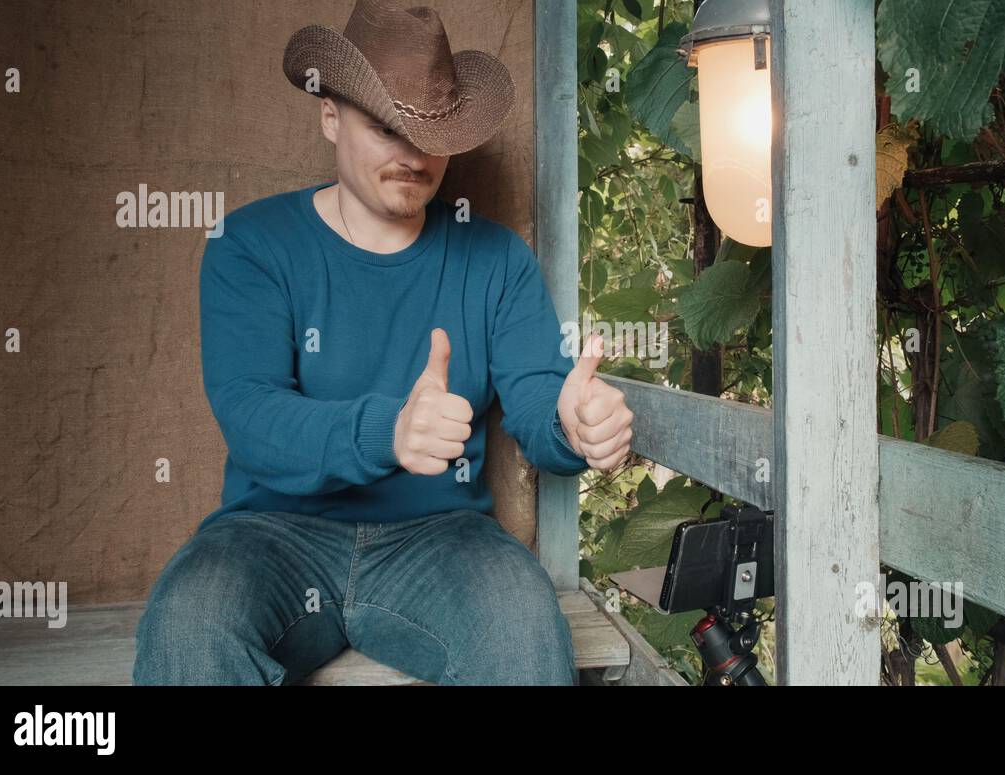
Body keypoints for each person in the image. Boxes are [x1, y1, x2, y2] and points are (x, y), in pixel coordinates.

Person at [132, 1, 634, 686]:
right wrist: (388, 430)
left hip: (440, 541)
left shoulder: (495, 260)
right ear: (330, 115)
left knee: (524, 624)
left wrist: (575, 427)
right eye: (384, 128)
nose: (410, 156)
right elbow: (251, 417)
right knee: (188, 625)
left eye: (429, 132)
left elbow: (538, 403)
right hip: (272, 535)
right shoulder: (250, 244)